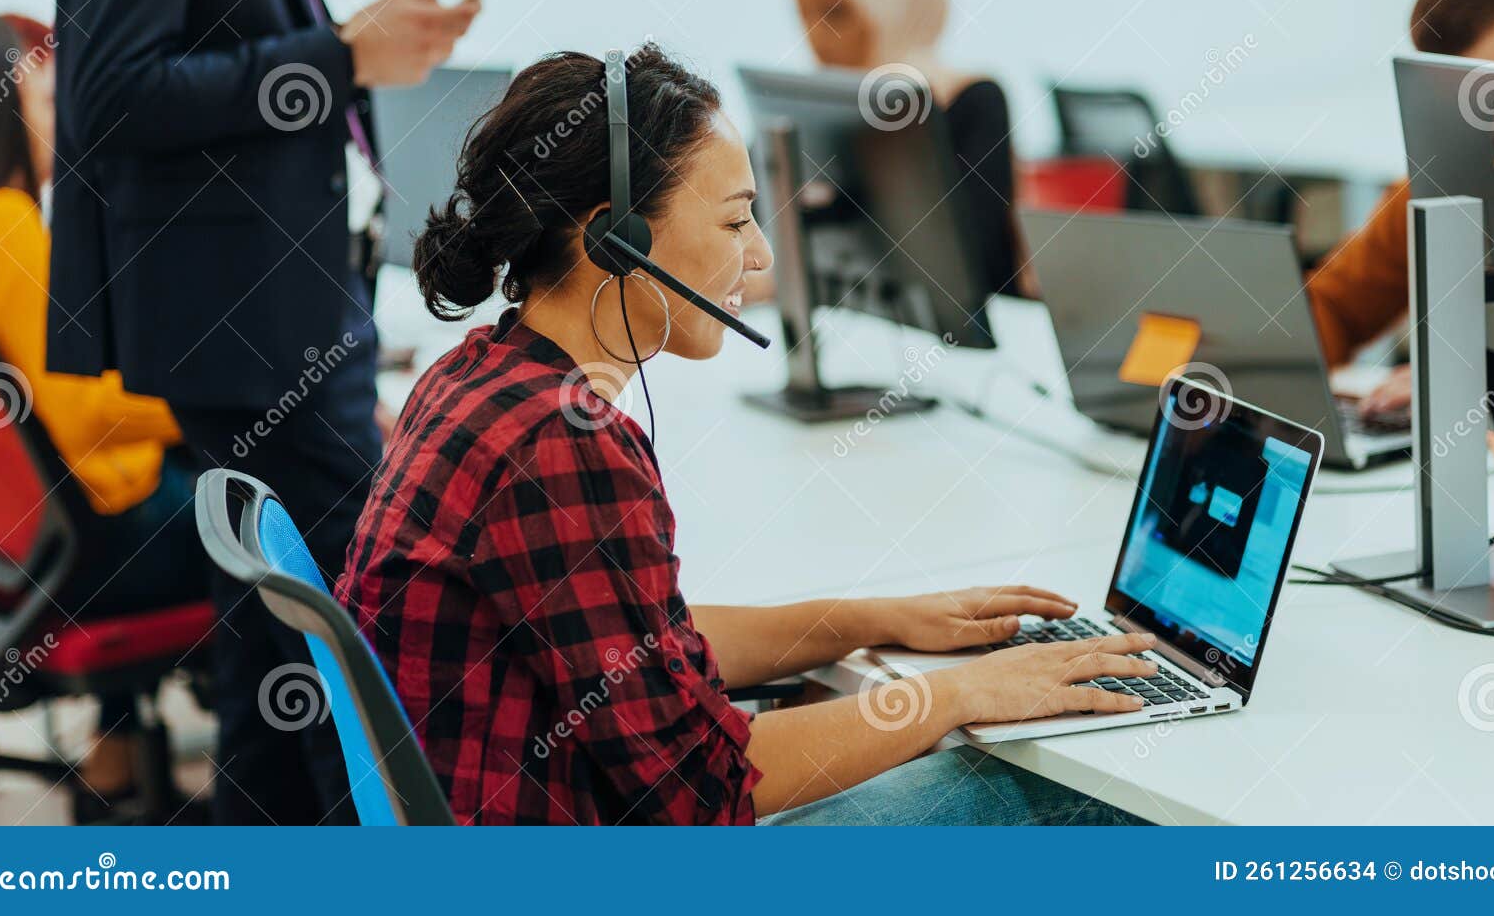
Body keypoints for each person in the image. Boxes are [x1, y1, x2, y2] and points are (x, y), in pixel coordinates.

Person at [338, 46, 1155, 826]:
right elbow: (707, 795)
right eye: (735, 224)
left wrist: (874, 620)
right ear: (614, 238)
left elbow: (647, 647)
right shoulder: (561, 445)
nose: (760, 255)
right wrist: (964, 693)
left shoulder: (477, 376)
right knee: (1075, 804)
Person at [47, 0, 479, 823]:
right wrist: (342, 52)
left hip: (274, 320)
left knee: (277, 662)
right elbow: (113, 93)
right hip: (254, 332)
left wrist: (347, 53)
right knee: (364, 638)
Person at [0, 8, 205, 816]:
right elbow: (83, 417)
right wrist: (211, 400)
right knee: (289, 499)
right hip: (99, 553)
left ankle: (117, 752)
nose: (58, 118)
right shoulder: (3, 227)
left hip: (11, 557)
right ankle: (289, 786)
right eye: (41, 100)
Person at [1307, 0, 1494, 416]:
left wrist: (1475, 379)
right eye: (1450, 95)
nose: (1478, 124)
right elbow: (1332, 307)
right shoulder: (1437, 185)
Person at [792, 0, 1035, 298]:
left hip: (982, 333)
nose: (816, 36)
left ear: (891, 4)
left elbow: (976, 265)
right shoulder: (816, 112)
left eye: (835, 12)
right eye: (805, 14)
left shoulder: (969, 100)